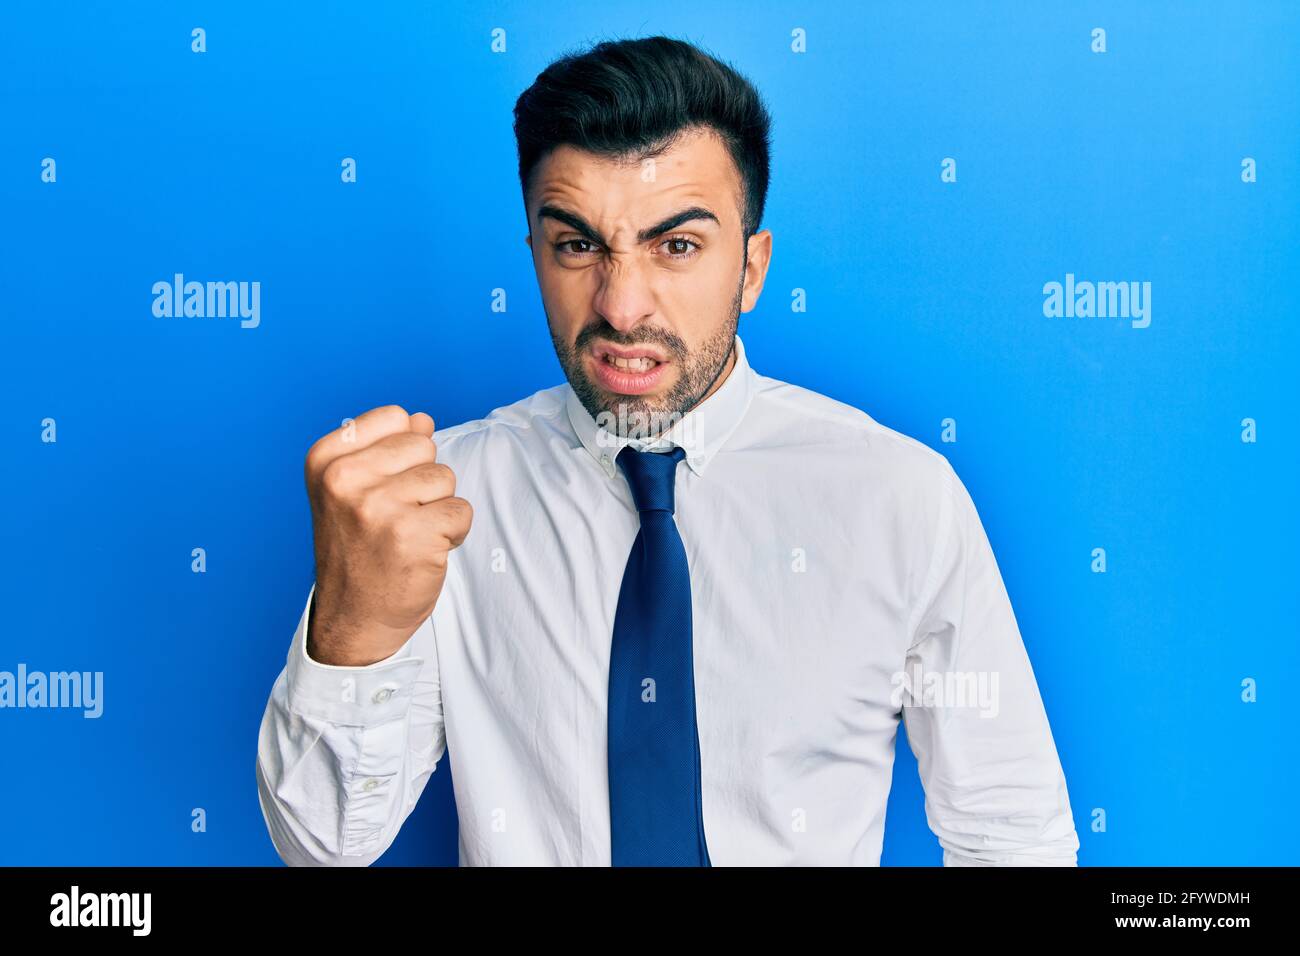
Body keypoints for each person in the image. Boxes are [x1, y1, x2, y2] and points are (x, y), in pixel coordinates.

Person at [255, 35, 1080, 867]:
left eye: (676, 245)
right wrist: (358, 622)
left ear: (751, 269)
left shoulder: (898, 497)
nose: (621, 305)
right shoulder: (444, 501)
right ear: (535, 253)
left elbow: (1011, 831)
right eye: (577, 245)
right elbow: (322, 844)